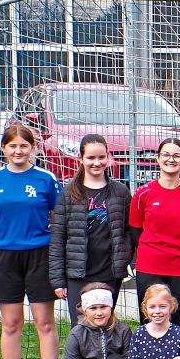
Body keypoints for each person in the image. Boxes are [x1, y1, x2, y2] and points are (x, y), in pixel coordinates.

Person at [0, 125, 62, 359]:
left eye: (24, 146)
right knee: (11, 322)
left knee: (44, 322)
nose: (18, 151)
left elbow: (56, 214)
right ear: (3, 149)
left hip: (39, 254)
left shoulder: (45, 179)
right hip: (5, 257)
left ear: (33, 149)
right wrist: (5, 239)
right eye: (12, 146)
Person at [49, 133, 132, 326]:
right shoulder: (69, 193)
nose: (97, 162)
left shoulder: (120, 192)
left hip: (108, 273)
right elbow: (58, 238)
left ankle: (106, 358)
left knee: (105, 324)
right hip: (77, 273)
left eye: (101, 157)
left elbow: (129, 232)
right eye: (91, 158)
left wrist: (125, 258)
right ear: (81, 159)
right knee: (81, 327)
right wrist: (58, 280)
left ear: (108, 157)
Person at [130, 138, 180, 330]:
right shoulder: (142, 193)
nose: (171, 159)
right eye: (166, 155)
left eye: (177, 155)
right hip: (150, 267)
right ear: (158, 158)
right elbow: (136, 230)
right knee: (150, 322)